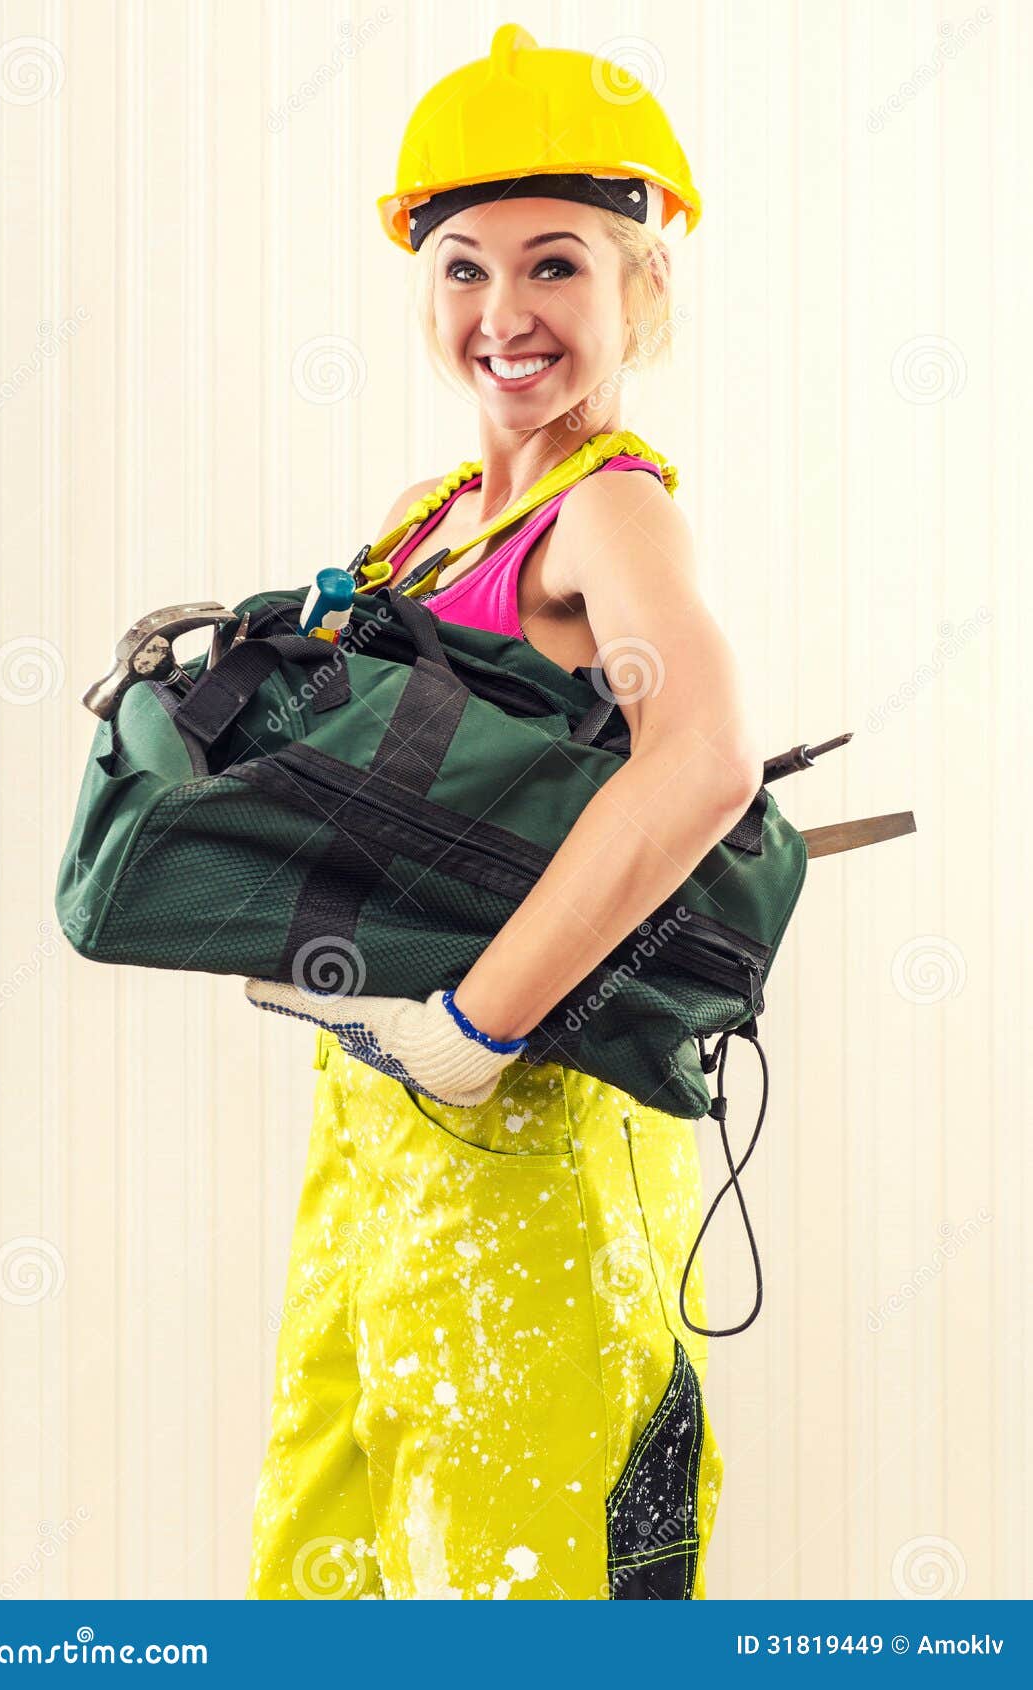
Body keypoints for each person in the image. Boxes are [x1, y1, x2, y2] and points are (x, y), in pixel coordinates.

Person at [244, 24, 762, 1601]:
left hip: (534, 1129)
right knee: (328, 1543)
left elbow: (702, 758)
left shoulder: (604, 506)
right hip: (378, 1136)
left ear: (636, 291)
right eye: (464, 267)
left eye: (555, 266)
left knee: (522, 1574)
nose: (504, 313)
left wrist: (477, 1019)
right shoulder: (427, 521)